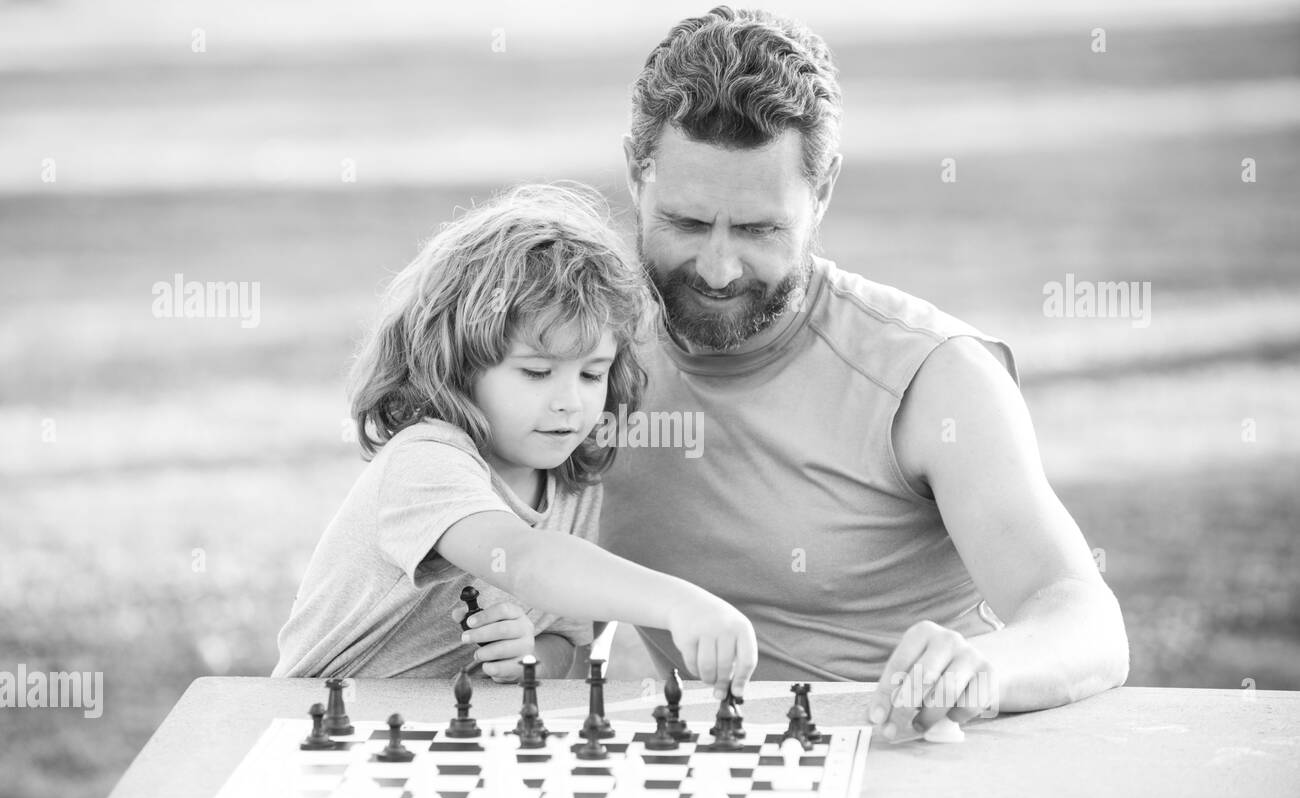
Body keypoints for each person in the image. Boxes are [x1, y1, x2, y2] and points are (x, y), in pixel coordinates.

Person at [598, 7, 1130, 739]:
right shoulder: (584, 362)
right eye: (688, 224)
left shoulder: (933, 377)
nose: (719, 269)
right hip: (712, 777)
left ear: (822, 194)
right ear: (636, 174)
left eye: (758, 230)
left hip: (910, 762)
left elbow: (1084, 618)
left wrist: (986, 668)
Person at [273, 183, 757, 697]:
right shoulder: (425, 463)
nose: (570, 401)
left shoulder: (578, 486)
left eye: (592, 375)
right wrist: (681, 603)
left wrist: (529, 655)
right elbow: (527, 561)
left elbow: (563, 644)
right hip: (313, 724)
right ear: (459, 366)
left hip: (448, 738)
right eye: (536, 372)